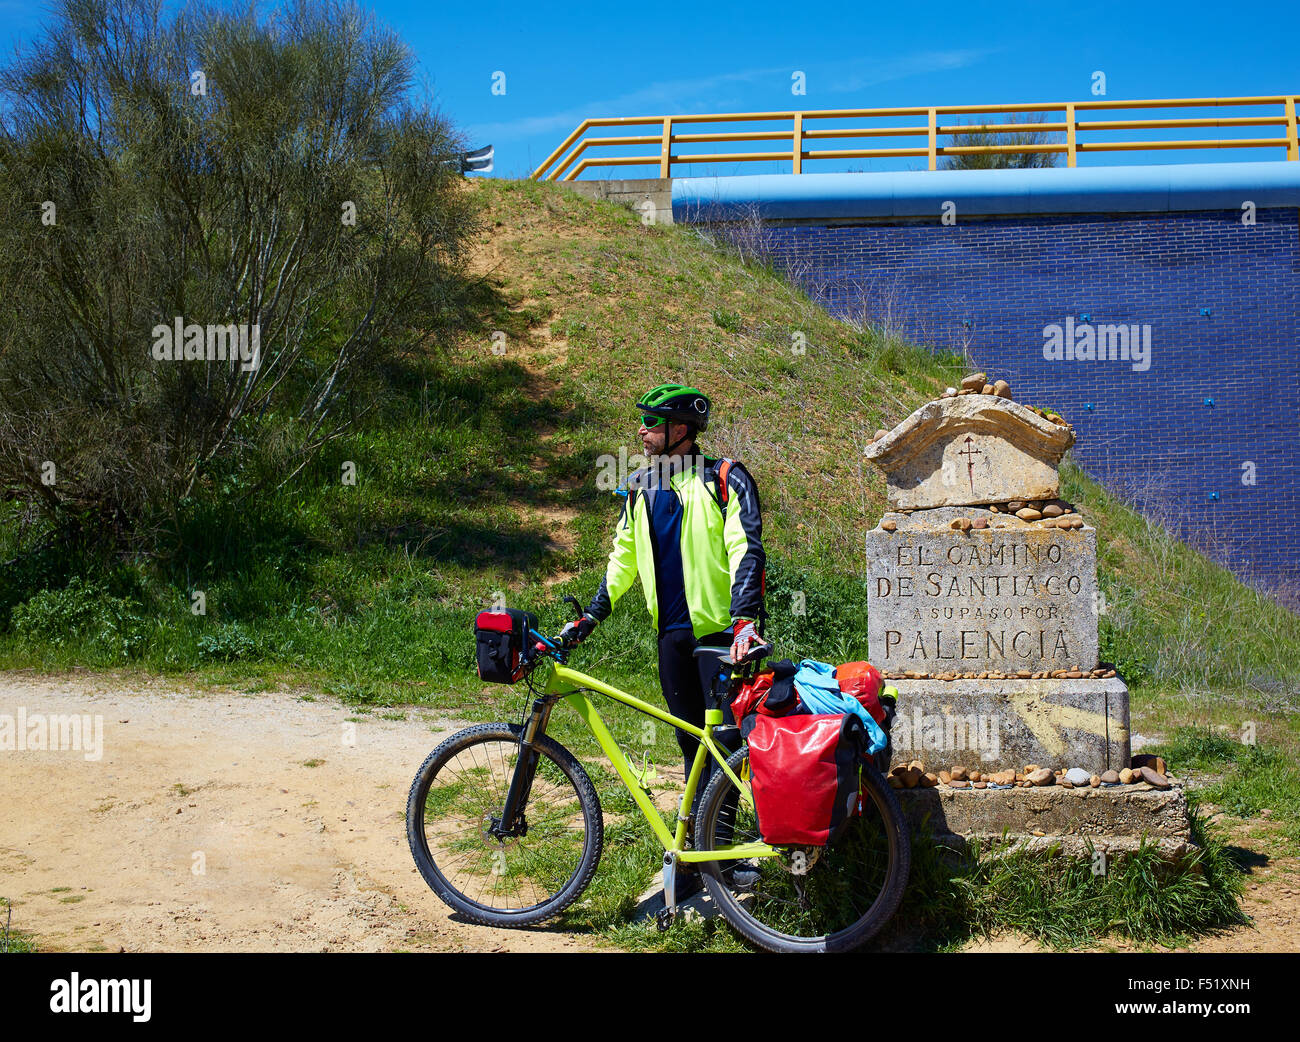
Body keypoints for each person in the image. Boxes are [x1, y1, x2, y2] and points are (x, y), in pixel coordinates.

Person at [561, 383, 768, 870]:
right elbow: (624, 556)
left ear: (682, 430)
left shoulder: (724, 478)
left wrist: (743, 623)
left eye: (652, 423)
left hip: (720, 634)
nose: (642, 430)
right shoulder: (639, 486)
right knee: (689, 742)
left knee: (726, 745)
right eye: (644, 422)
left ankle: (724, 852)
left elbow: (747, 550)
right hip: (671, 636)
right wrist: (592, 613)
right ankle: (699, 852)